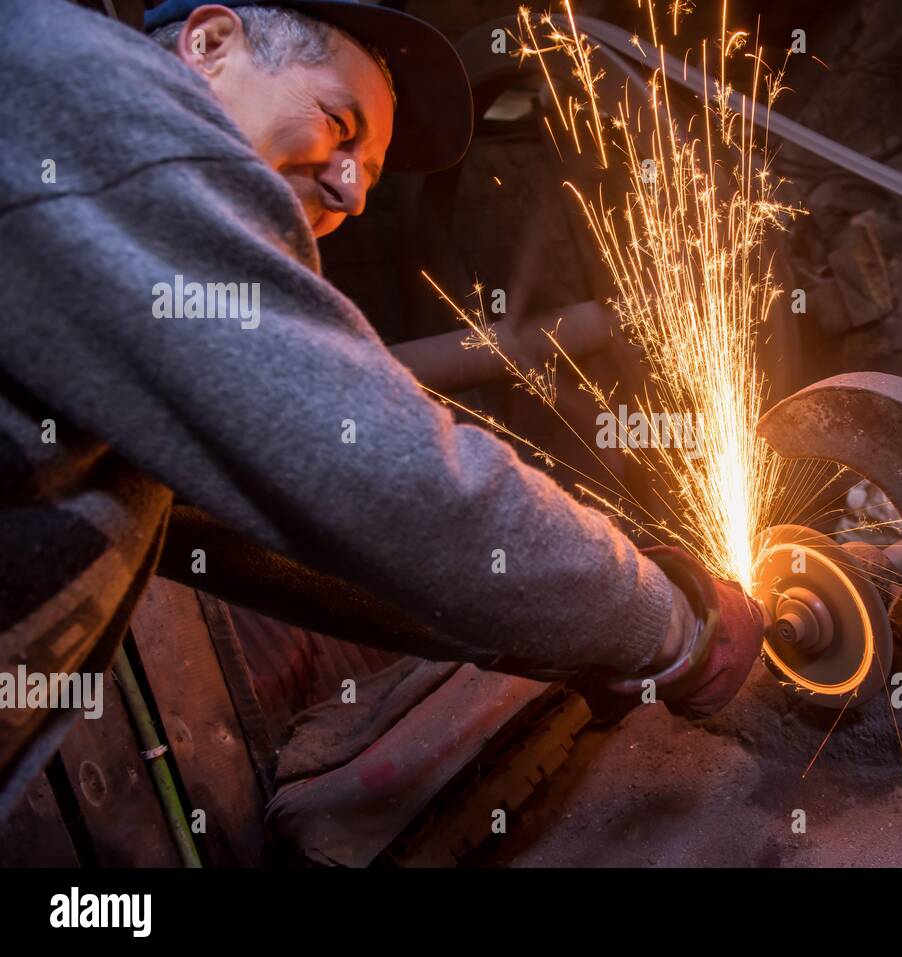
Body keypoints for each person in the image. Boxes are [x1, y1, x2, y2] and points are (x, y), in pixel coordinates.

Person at [0, 0, 765, 812]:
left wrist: (593, 622)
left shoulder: (124, 302)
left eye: (370, 164)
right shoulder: (81, 92)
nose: (354, 188)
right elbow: (388, 479)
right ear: (211, 43)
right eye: (339, 123)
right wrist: (666, 627)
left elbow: (315, 545)